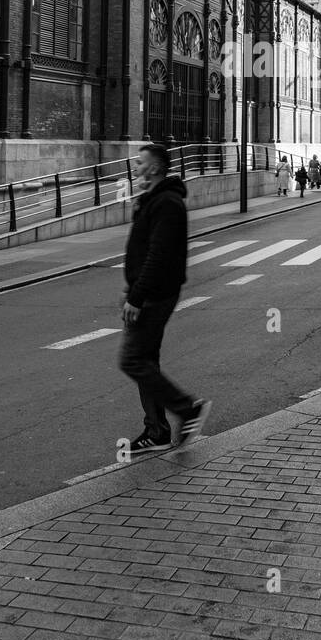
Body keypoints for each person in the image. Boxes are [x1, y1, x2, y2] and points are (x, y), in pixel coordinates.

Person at [118, 142, 211, 452]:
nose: (136, 167)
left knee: (132, 360)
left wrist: (137, 296)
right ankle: (156, 430)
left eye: (141, 162)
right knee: (145, 360)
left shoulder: (167, 203)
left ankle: (187, 408)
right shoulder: (153, 199)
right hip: (146, 292)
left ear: (155, 167)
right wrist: (130, 289)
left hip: (155, 295)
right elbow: (142, 252)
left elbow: (157, 256)